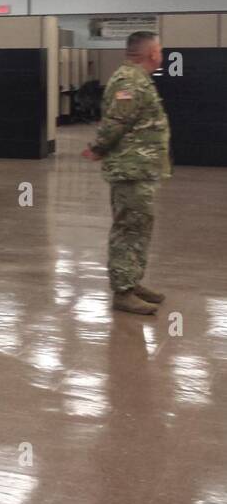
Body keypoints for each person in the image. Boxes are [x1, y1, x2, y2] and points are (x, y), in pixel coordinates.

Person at [83, 31, 170, 316]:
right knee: (128, 228)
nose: (162, 54)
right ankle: (123, 291)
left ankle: (131, 282)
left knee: (139, 226)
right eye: (159, 49)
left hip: (141, 168)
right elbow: (116, 122)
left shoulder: (138, 78)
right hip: (130, 168)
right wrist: (98, 148)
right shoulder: (129, 80)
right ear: (150, 53)